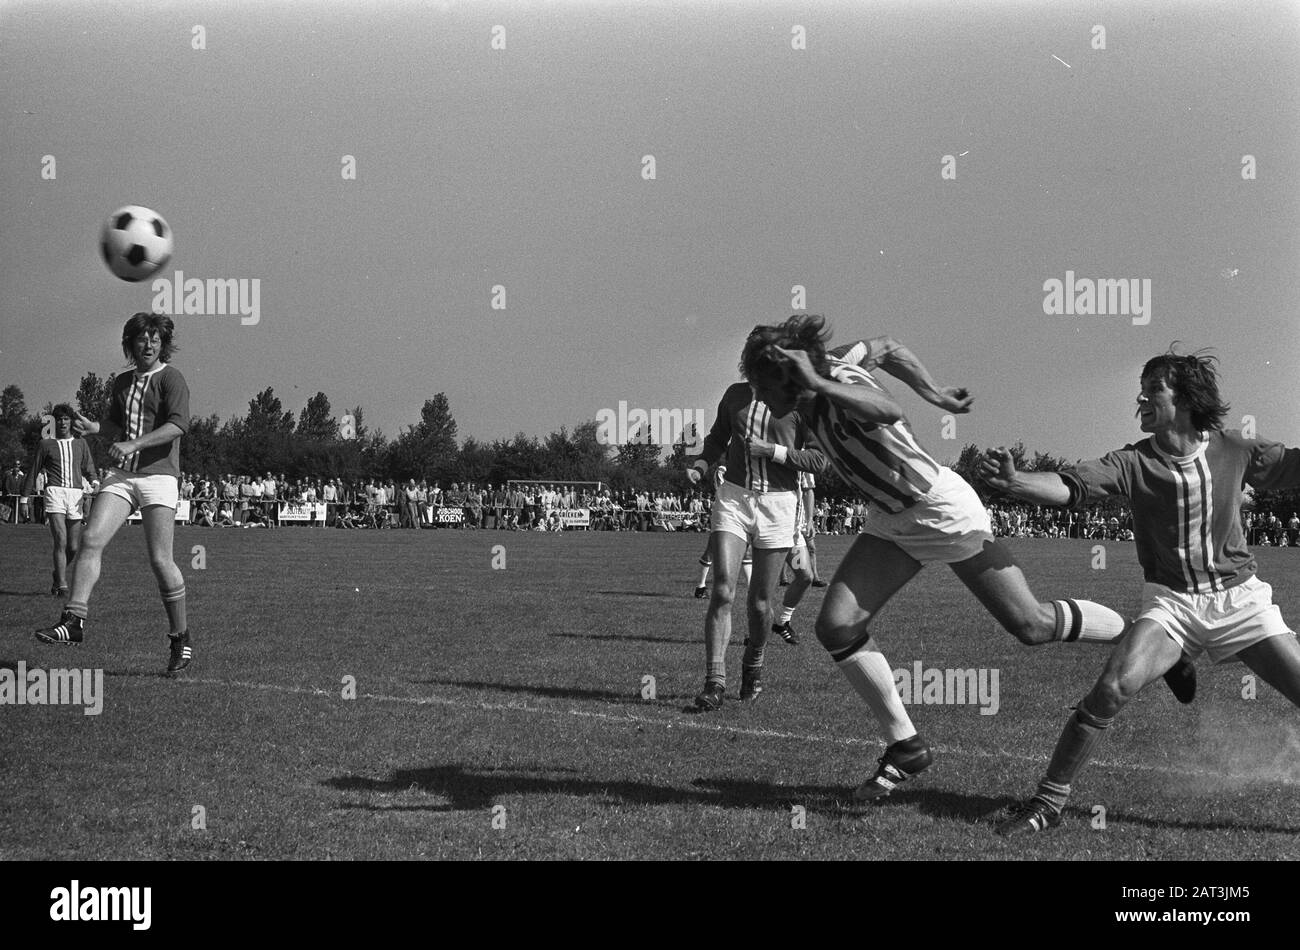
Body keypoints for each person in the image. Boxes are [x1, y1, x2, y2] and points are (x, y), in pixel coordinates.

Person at [742, 314, 1191, 800]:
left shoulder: (837, 381)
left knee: (1032, 626)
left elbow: (884, 410)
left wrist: (824, 386)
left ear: (792, 374)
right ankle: (906, 747)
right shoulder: (831, 366)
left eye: (762, 385)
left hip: (940, 510)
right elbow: (889, 345)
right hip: (892, 519)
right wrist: (933, 392)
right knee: (836, 626)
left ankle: (1149, 645)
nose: (759, 397)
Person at [983, 350, 1300, 835]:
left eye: (1154, 388)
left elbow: (1294, 466)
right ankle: (1048, 802)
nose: (1142, 397)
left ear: (1186, 399)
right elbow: (1072, 486)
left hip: (1241, 602)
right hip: (1172, 604)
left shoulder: (1237, 449)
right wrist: (1017, 481)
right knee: (1112, 688)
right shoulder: (1133, 461)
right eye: (1143, 387)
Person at [35, 313, 194, 674]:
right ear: (130, 343)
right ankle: (74, 621)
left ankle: (179, 637)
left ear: (163, 344)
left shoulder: (171, 378)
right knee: (90, 538)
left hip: (159, 477)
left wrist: (133, 442)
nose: (149, 344)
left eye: (155, 339)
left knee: (159, 559)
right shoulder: (122, 382)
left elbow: (178, 425)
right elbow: (116, 424)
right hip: (123, 475)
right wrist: (96, 428)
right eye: (142, 339)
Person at [685, 355, 827, 710]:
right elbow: (718, 437)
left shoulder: (798, 402)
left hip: (778, 504)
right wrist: (702, 463)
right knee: (722, 589)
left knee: (760, 602)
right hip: (734, 497)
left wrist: (774, 451)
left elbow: (819, 460)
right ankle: (714, 682)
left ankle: (754, 664)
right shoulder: (735, 395)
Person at [24, 404, 98, 596]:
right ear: (54, 422)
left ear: (71, 421)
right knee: (61, 540)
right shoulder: (45, 444)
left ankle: (58, 574)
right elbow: (33, 470)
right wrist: (24, 498)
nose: (63, 422)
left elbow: (88, 466)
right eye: (59, 419)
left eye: (66, 419)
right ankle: (63, 585)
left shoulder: (80, 443)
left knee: (73, 546)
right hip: (55, 493)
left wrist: (95, 480)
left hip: (75, 494)